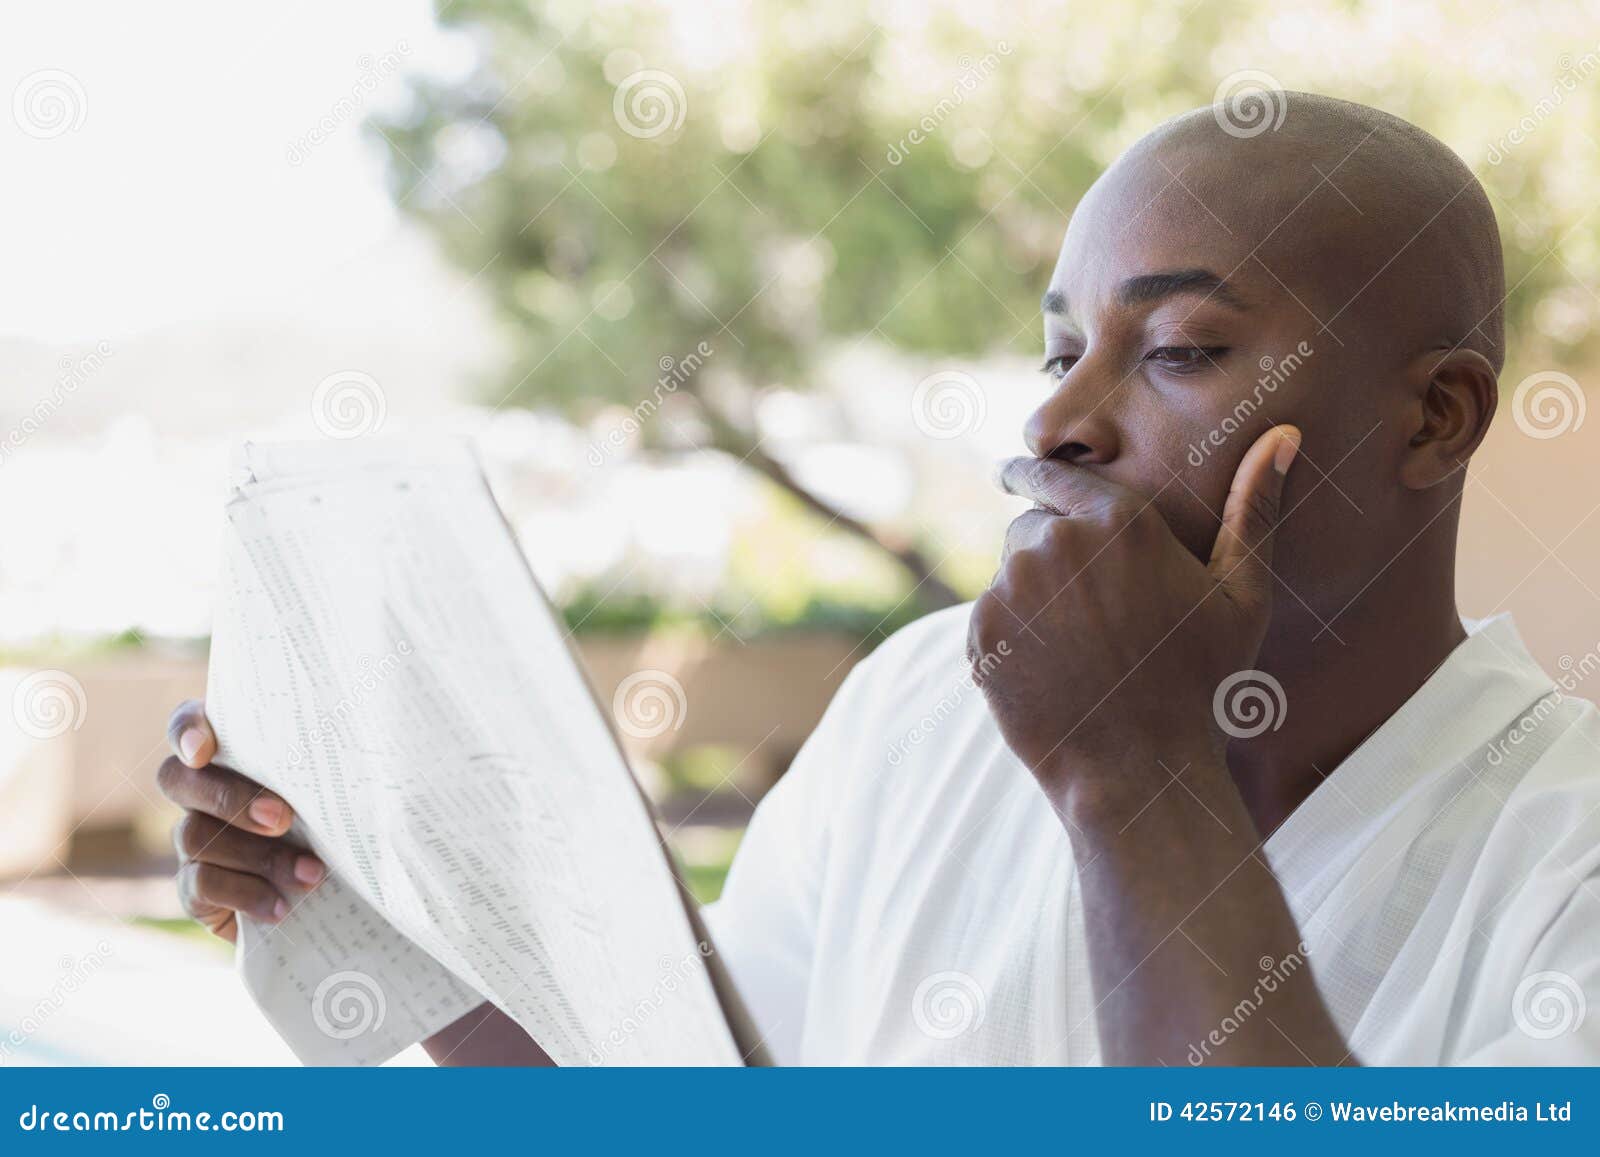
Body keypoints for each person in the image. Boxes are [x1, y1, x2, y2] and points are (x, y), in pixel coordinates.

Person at [158, 93, 1600, 1066]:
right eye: (1060, 351)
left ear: (1437, 419)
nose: (1057, 420)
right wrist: (390, 887)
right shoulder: (920, 704)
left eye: (1177, 353)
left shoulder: (1565, 857)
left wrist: (1139, 767)